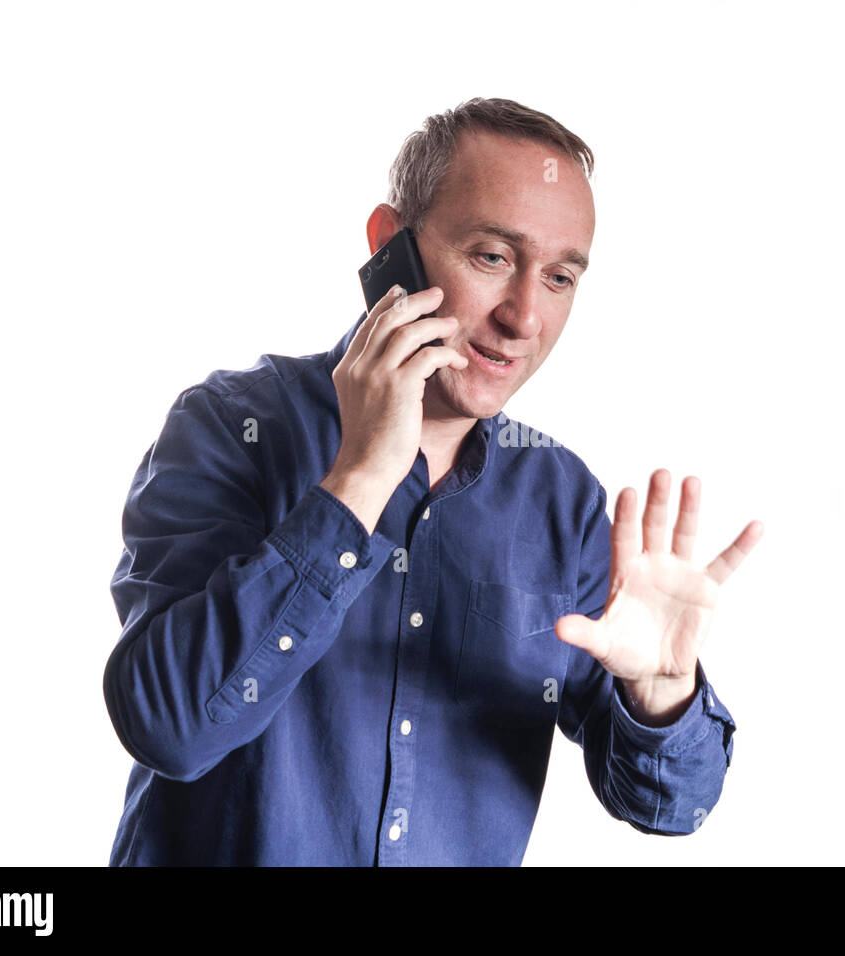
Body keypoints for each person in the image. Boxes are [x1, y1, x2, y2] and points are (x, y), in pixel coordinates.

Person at [103, 96, 763, 865]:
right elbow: (170, 729)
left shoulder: (563, 504)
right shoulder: (231, 427)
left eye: (559, 277)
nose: (524, 317)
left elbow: (671, 806)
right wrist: (356, 483)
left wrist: (661, 693)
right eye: (492, 256)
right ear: (392, 247)